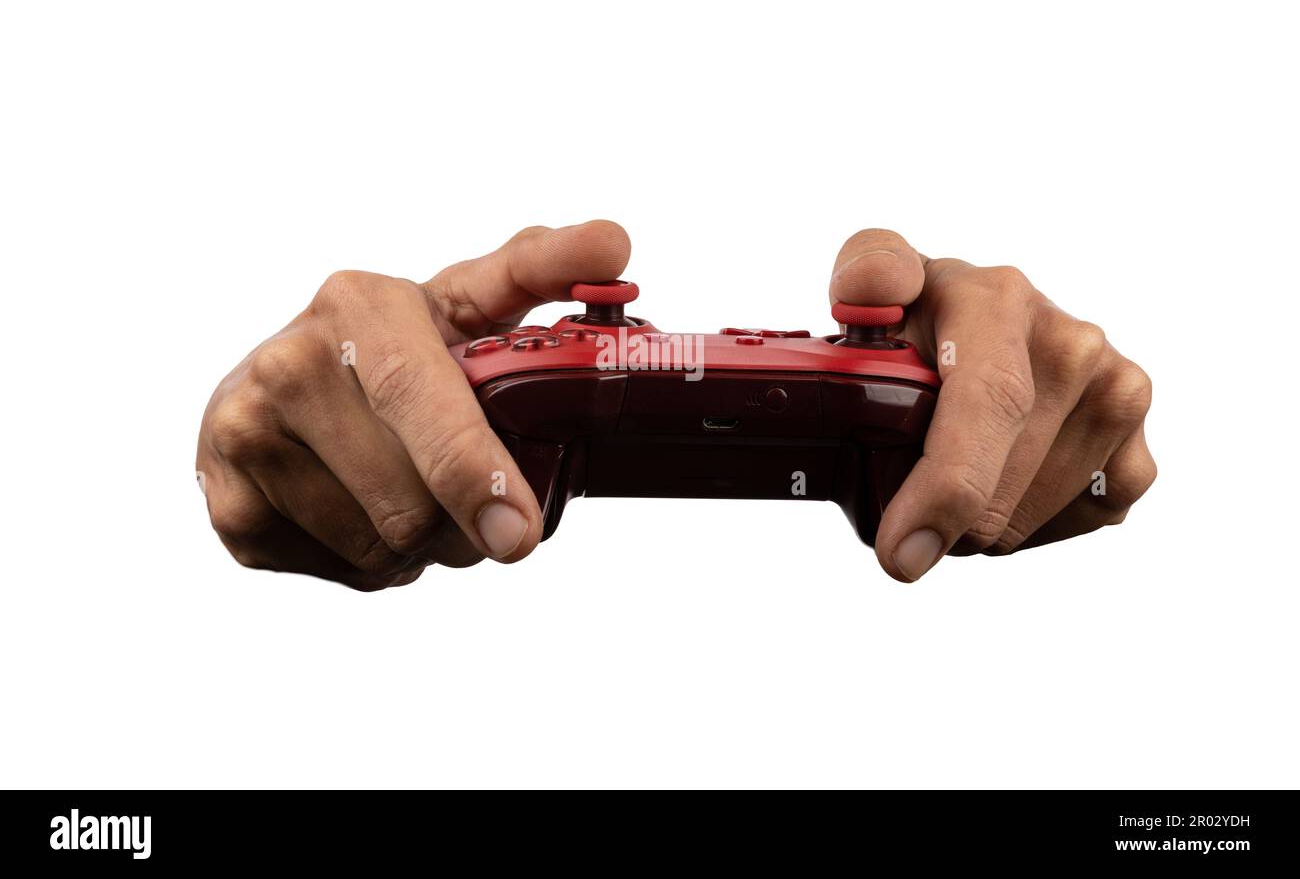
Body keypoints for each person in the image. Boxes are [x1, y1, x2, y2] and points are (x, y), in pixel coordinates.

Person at [195, 222, 1155, 588]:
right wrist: (255, 428)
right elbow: (304, 379)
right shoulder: (462, 369)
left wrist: (1080, 420)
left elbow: (1086, 403)